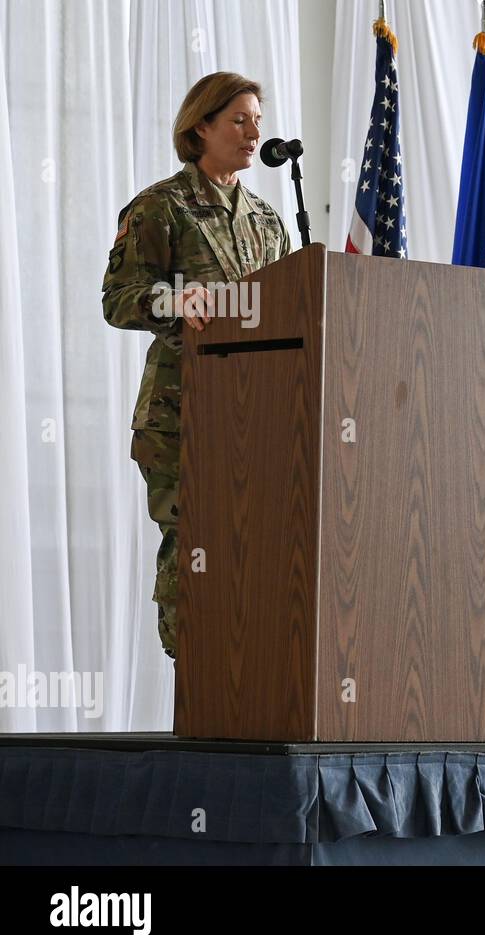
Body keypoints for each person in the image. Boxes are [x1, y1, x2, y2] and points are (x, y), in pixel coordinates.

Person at [102, 72, 291, 658]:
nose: (254, 131)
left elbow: (290, 307)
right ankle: (198, 677)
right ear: (200, 127)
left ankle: (248, 679)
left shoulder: (266, 219)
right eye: (239, 119)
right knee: (194, 545)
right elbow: (118, 298)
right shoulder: (162, 206)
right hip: (180, 410)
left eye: (258, 119)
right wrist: (173, 300)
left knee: (254, 548)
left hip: (256, 413)